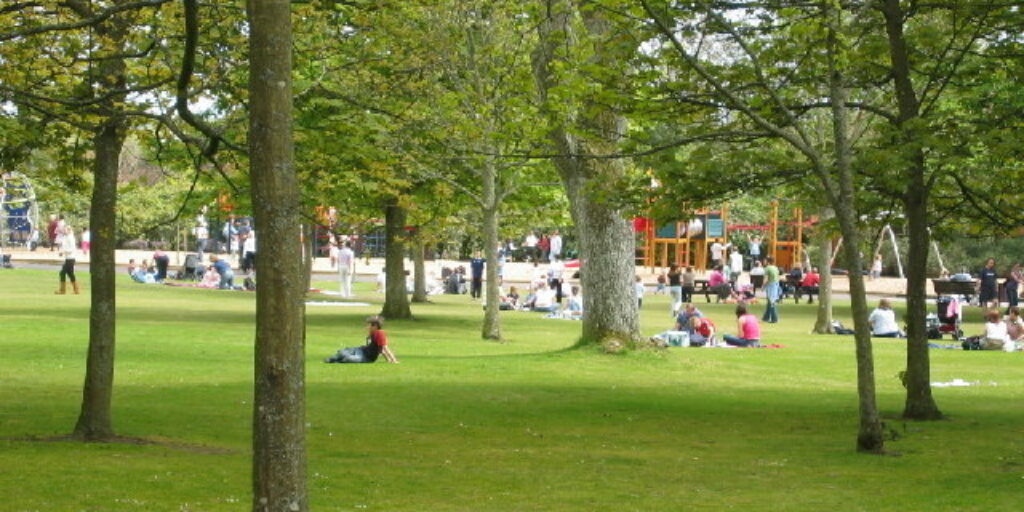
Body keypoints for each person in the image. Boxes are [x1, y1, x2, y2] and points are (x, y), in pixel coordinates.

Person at [324, 316, 399, 364]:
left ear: (375, 326)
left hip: (367, 357)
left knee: (348, 358)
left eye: (369, 325)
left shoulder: (380, 333)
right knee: (343, 352)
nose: (367, 327)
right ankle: (331, 359)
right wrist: (388, 360)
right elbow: (381, 350)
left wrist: (393, 360)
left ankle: (337, 361)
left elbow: (384, 348)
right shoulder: (373, 334)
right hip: (361, 350)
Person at [55, 224, 79, 294]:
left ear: (69, 230)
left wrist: (63, 252)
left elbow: (72, 249)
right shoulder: (66, 237)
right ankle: (76, 290)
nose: (64, 230)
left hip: (71, 258)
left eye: (65, 229)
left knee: (62, 273)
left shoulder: (71, 238)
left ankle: (62, 290)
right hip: (68, 258)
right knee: (70, 274)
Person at [762, 257, 781, 323]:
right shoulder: (776, 268)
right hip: (776, 284)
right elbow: (778, 277)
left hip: (771, 285)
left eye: (765, 261)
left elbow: (766, 279)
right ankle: (766, 318)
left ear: (768, 262)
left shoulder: (767, 268)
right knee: (770, 302)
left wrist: (763, 286)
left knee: (772, 302)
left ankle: (774, 318)